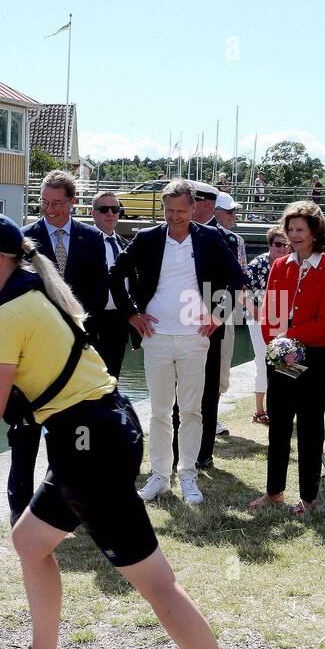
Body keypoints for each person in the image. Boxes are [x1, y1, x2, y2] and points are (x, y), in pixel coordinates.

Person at [0, 213, 254, 649]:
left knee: (157, 583)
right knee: (29, 542)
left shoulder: (12, 310)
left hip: (90, 448)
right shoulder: (30, 297)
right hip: (96, 434)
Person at [109, 180, 246, 504]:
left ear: (193, 208)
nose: (174, 217)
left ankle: (188, 476)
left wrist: (217, 315)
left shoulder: (210, 238)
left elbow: (237, 278)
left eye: (181, 211)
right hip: (155, 337)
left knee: (191, 411)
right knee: (158, 412)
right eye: (169, 211)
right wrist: (132, 315)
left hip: (194, 339)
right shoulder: (147, 239)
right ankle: (159, 477)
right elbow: (115, 274)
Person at [11, 170, 110, 516]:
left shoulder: (92, 239)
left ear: (72, 202)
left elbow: (98, 290)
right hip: (34, 349)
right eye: (45, 202)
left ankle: (70, 504)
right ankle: (19, 508)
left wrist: (76, 326)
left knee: (72, 434)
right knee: (23, 434)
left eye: (57, 203)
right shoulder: (23, 239)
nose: (50, 210)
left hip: (76, 348)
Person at [251, 202, 325, 514]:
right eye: (290, 230)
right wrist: (276, 344)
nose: (293, 235)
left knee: (309, 426)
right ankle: (274, 491)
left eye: (300, 230)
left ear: (315, 231)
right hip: (281, 354)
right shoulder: (280, 266)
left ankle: (307, 498)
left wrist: (289, 339)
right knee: (278, 424)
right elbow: (270, 314)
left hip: (314, 356)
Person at [189, 188, 248, 467]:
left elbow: (237, 279)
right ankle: (185, 448)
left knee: (213, 382)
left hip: (214, 322)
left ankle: (203, 451)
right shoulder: (172, 233)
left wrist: (218, 315)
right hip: (181, 323)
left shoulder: (226, 239)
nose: (234, 216)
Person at [245, 227, 291, 423]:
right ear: (270, 245)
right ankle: (259, 410)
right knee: (263, 361)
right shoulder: (258, 264)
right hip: (259, 319)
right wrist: (257, 314)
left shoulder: (292, 263)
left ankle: (282, 406)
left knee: (288, 361)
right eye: (278, 244)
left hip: (283, 318)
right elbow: (242, 291)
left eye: (285, 245)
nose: (282, 249)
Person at [213, 193, 250, 437]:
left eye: (234, 211)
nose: (233, 215)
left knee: (222, 364)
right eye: (229, 211)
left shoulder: (237, 241)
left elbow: (243, 280)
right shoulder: (198, 234)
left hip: (224, 307)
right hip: (195, 307)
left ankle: (212, 416)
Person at [91, 191, 132, 380]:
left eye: (115, 209)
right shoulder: (84, 243)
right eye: (104, 209)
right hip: (91, 322)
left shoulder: (126, 245)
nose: (110, 213)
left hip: (119, 321)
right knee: (91, 379)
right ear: (93, 213)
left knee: (113, 376)